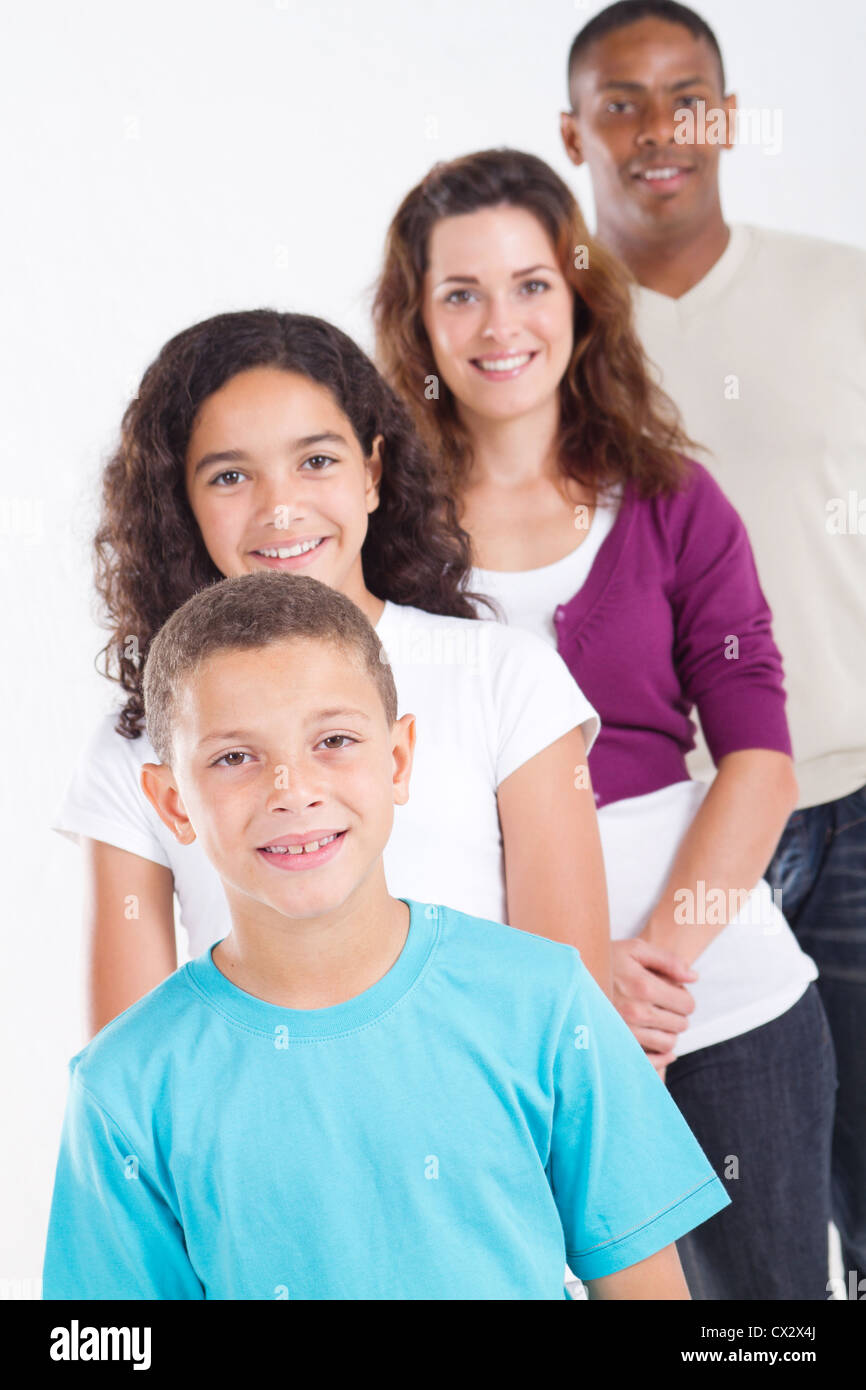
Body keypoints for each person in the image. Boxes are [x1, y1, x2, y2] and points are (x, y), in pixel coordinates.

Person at [372, 146, 836, 1299]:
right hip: (502, 1028)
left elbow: (759, 761)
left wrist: (653, 963)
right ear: (417, 320)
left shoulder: (675, 500)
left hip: (715, 1007)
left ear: (578, 292)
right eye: (459, 292)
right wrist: (569, 982)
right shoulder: (384, 532)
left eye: (531, 283)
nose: (500, 323)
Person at [42, 571, 729, 1300]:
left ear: (397, 760)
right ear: (173, 804)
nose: (292, 790)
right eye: (234, 757)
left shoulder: (546, 1002)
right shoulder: (123, 1085)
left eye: (332, 740)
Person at [52, 310, 609, 1036]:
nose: (280, 508)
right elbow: (131, 1073)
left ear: (372, 474)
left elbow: (574, 1018)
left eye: (316, 461)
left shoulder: (504, 679)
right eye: (229, 476)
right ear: (180, 506)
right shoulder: (137, 748)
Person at [560, 0, 866, 1294]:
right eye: (616, 103)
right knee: (733, 1241)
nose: (653, 131)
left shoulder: (840, 292)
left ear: (727, 118)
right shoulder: (541, 332)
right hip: (657, 835)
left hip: (851, 793)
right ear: (570, 132)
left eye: (682, 96)